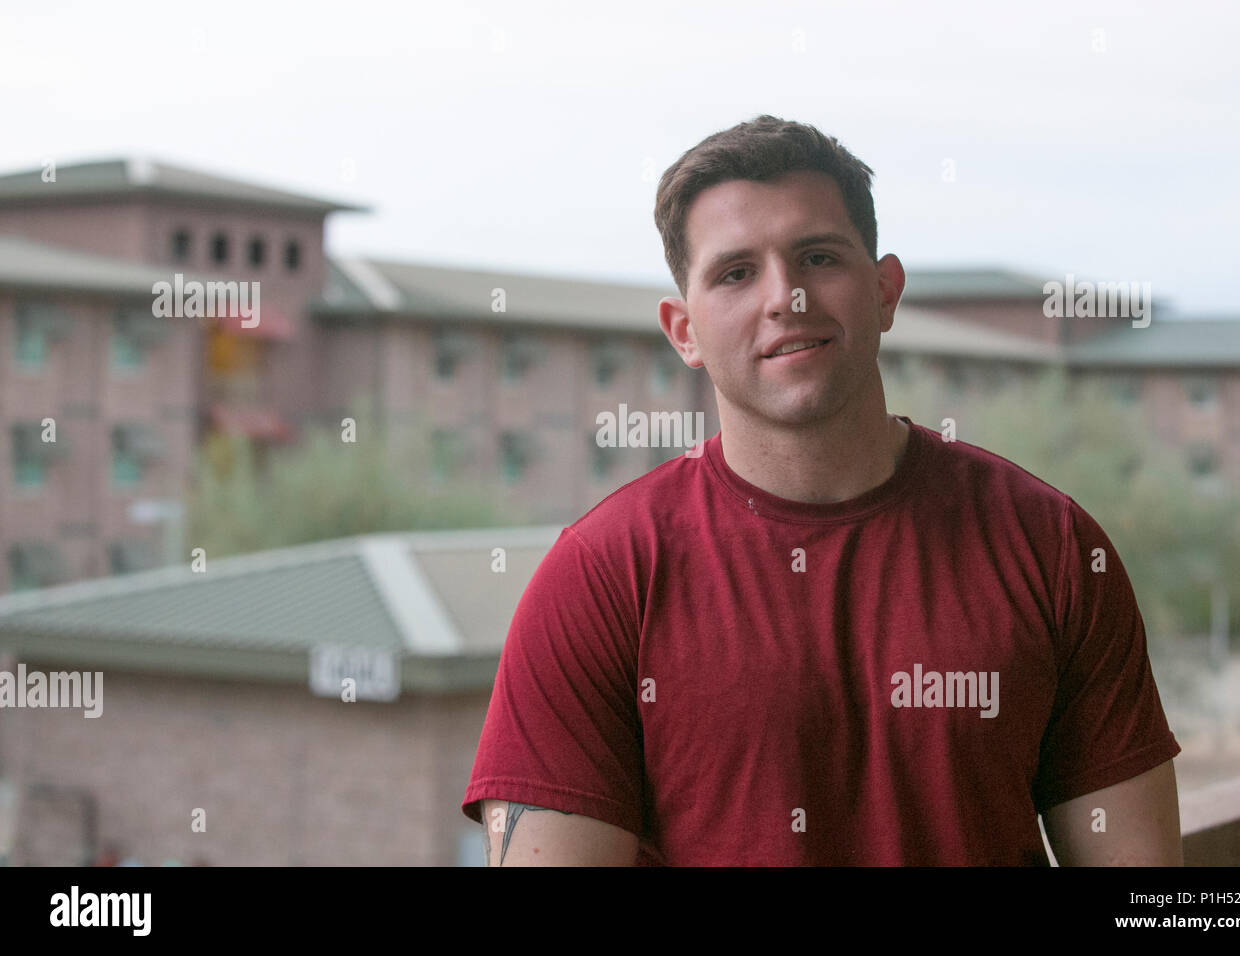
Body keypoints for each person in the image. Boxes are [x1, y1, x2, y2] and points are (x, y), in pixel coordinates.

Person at [462, 114, 1182, 866]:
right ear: (685, 331)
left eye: (817, 257)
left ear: (885, 291)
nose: (787, 298)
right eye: (736, 273)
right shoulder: (601, 578)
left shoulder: (1051, 547)